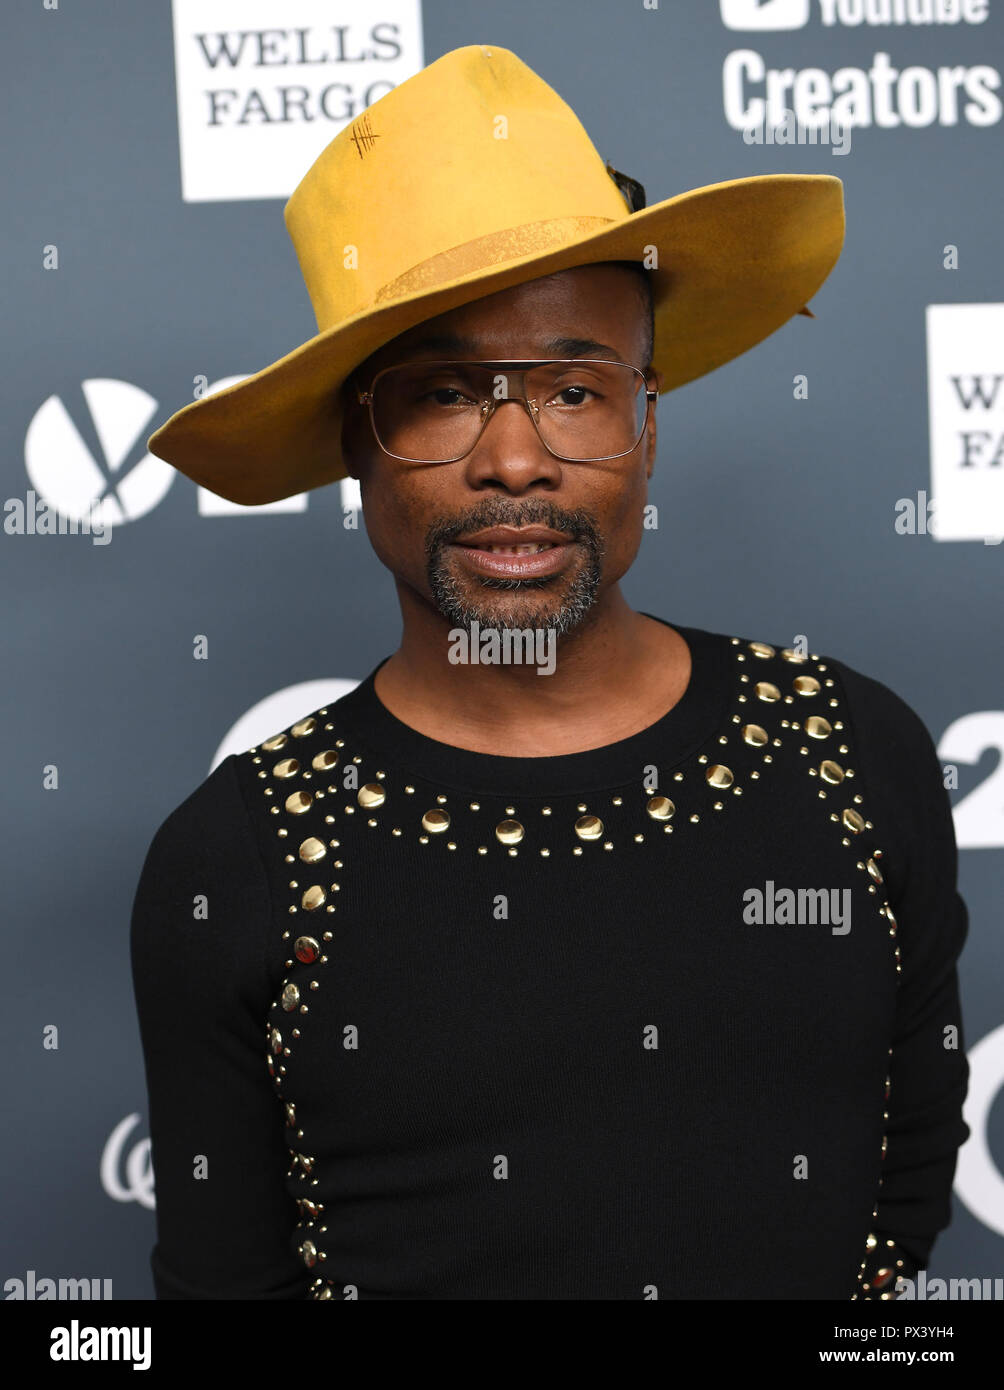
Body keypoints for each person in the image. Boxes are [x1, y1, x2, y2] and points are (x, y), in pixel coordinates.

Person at [131, 44, 968, 1300]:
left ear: (645, 428)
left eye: (573, 390)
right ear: (354, 447)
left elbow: (901, 1187)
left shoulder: (856, 748)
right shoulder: (236, 856)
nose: (513, 459)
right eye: (440, 394)